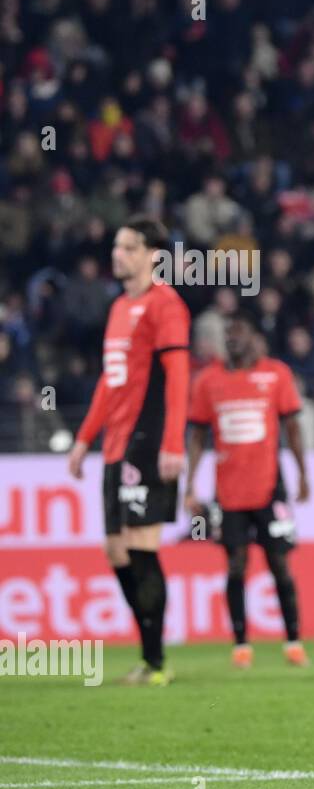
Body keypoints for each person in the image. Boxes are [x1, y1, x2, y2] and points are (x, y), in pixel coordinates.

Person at [68, 216, 191, 686]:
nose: (117, 254)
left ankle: (158, 661)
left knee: (141, 546)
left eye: (128, 247)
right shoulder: (119, 307)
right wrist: (84, 438)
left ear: (153, 255)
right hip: (116, 444)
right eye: (116, 246)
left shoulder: (166, 306)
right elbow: (109, 380)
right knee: (116, 550)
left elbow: (179, 377)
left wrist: (173, 442)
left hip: (149, 437)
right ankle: (149, 653)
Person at [185, 310, 310, 667]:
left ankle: (293, 641)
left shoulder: (276, 374)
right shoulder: (208, 381)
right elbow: (197, 436)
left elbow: (293, 429)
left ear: (254, 336)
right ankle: (241, 645)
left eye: (239, 332)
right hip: (229, 492)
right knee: (236, 565)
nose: (232, 339)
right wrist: (190, 484)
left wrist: (302, 473)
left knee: (279, 563)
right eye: (228, 334)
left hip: (270, 487)